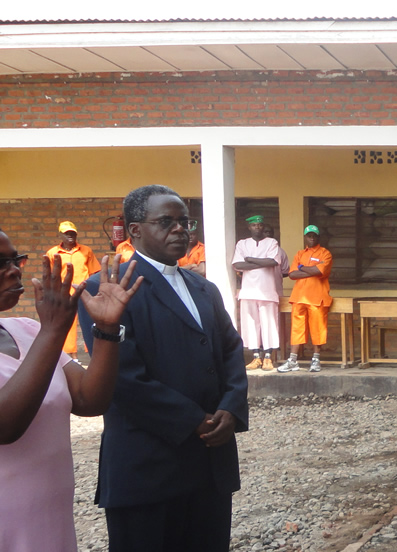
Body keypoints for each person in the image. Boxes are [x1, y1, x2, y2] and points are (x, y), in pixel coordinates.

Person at [77, 184, 249, 552]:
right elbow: (123, 377)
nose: (180, 230)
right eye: (166, 222)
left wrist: (231, 408)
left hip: (209, 464)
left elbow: (232, 350)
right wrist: (192, 419)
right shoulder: (105, 289)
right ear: (135, 230)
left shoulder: (203, 288)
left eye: (185, 222)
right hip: (147, 467)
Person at [0, 232, 141, 552]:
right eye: (1, 263)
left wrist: (106, 330)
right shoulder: (44, 333)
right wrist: (53, 330)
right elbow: (6, 425)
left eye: (14, 260)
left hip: (49, 518)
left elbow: (90, 400)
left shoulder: (27, 330)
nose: (14, 270)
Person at [232, 216, 284, 371]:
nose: (257, 228)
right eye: (254, 225)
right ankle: (256, 357)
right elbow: (237, 264)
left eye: (260, 225)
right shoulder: (242, 244)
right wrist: (260, 263)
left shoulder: (271, 243)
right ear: (249, 227)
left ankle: (268, 357)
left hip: (267, 291)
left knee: (269, 324)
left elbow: (273, 262)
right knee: (250, 325)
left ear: (263, 227)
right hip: (248, 291)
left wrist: (250, 260)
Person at [280, 226, 333, 373]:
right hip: (299, 297)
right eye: (309, 236)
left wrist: (302, 268)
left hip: (317, 298)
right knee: (296, 329)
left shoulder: (325, 254)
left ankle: (316, 359)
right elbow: (292, 274)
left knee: (318, 330)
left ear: (318, 237)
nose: (312, 238)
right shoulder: (299, 254)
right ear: (305, 237)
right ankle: (292, 360)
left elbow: (320, 271)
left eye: (314, 236)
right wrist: (311, 270)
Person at [46, 221, 101, 358]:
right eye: (67, 234)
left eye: (73, 233)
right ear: (60, 235)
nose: (70, 236)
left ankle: (93, 353)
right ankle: (72, 356)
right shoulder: (53, 253)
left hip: (85, 292)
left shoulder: (86, 251)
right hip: (65, 293)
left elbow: (94, 272)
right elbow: (51, 275)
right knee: (68, 324)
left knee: (90, 322)